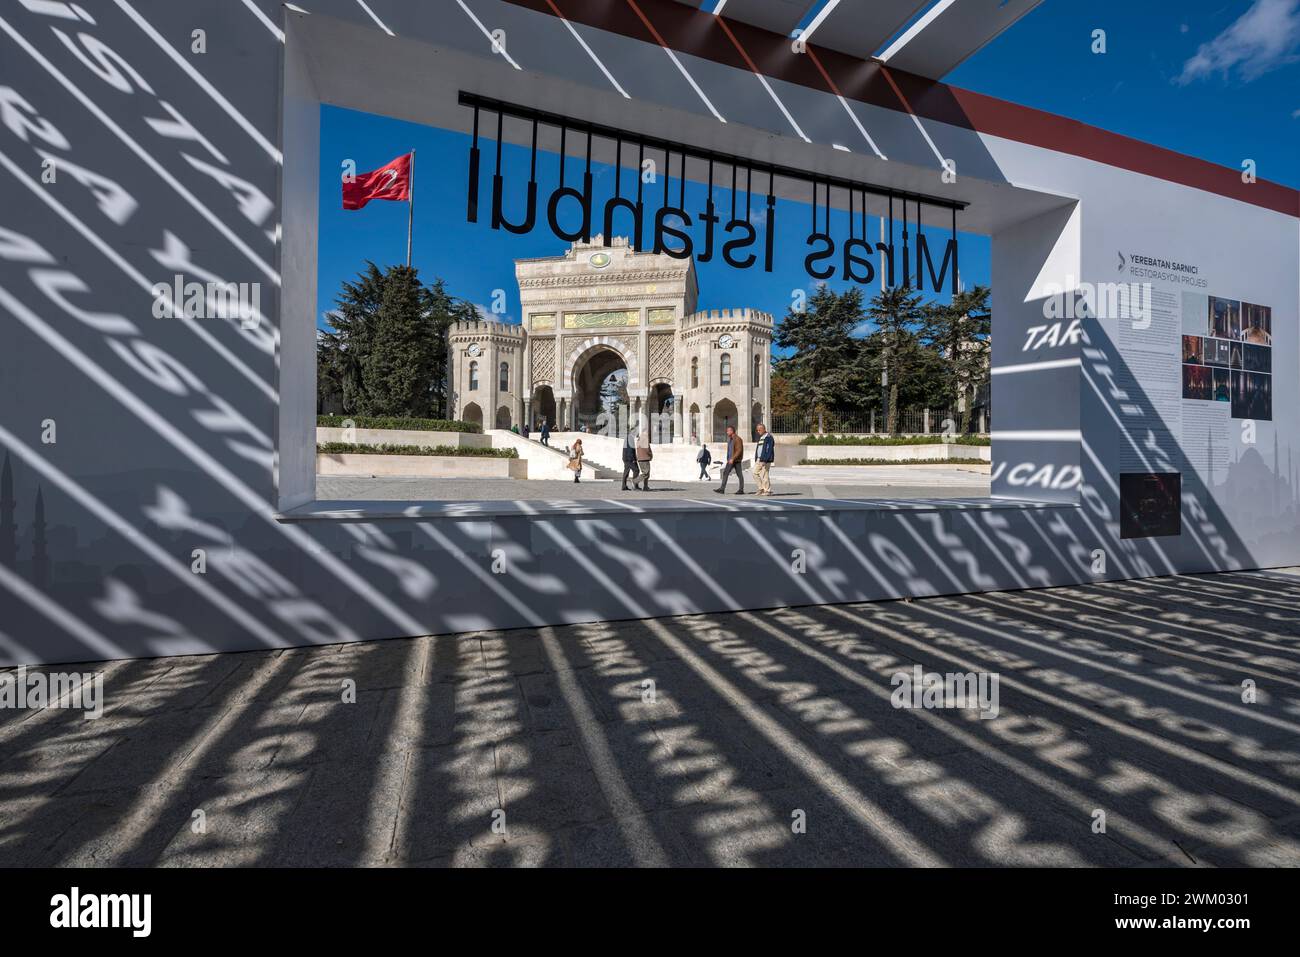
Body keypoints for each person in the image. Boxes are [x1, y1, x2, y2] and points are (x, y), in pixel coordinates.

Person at [714, 426, 744, 494]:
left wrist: (733, 458)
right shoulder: (730, 439)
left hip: (736, 460)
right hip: (730, 460)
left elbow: (739, 450)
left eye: (728, 431)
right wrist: (729, 458)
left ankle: (741, 490)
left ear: (732, 431)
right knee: (725, 473)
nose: (727, 432)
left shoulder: (738, 439)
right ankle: (722, 489)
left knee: (739, 474)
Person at [753, 423, 774, 496]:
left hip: (765, 459)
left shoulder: (768, 437)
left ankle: (767, 490)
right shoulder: (761, 437)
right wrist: (756, 458)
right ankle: (761, 488)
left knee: (765, 475)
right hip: (759, 459)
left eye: (760, 430)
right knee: (754, 473)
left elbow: (769, 450)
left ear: (764, 429)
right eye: (757, 430)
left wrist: (765, 460)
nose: (758, 431)